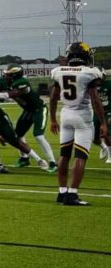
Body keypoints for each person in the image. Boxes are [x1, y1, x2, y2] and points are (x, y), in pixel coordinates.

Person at [48, 42, 106, 206]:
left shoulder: (58, 71)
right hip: (83, 116)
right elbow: (95, 100)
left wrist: (52, 119)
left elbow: (53, 98)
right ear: (85, 55)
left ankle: (62, 192)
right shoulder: (90, 72)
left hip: (65, 115)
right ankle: (72, 194)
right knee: (80, 157)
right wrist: (103, 123)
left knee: (64, 155)